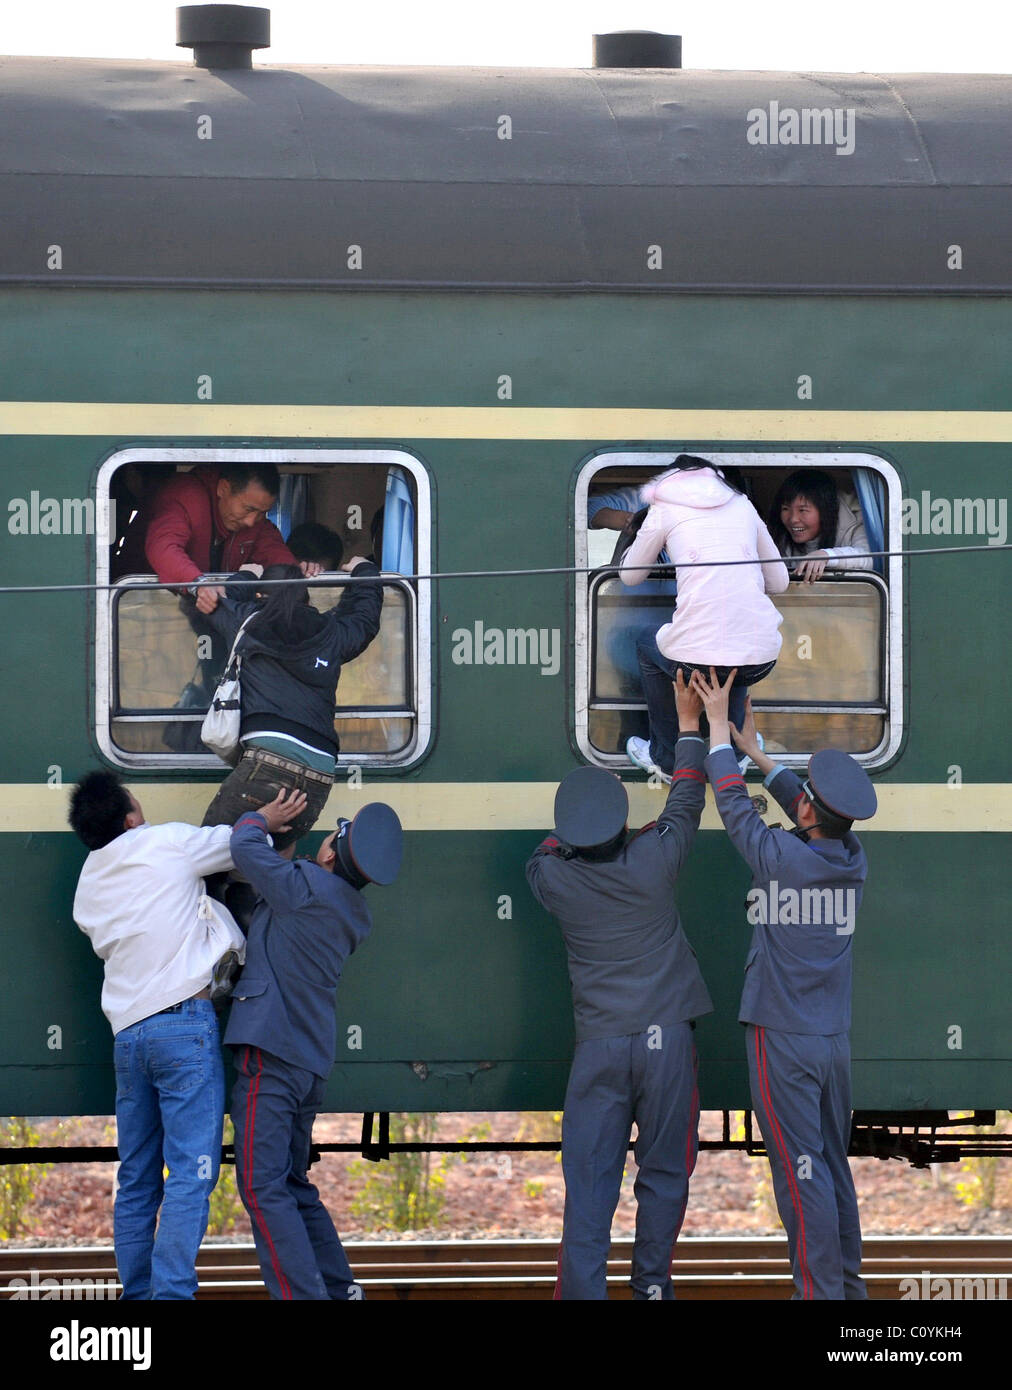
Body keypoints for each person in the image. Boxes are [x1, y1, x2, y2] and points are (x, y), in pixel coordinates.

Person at [526, 672, 713, 1301]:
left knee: (591, 1183)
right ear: (626, 827)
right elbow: (686, 797)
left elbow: (544, 854)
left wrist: (576, 834)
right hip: (668, 1046)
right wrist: (688, 727)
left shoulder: (556, 882)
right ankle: (651, 1290)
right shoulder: (656, 859)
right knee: (663, 1176)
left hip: (601, 1046)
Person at [692, 668, 877, 1300]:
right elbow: (810, 803)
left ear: (805, 814)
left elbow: (732, 805)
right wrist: (758, 755)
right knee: (829, 1168)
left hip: (785, 1043)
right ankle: (848, 1293)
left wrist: (717, 728)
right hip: (830, 1043)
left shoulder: (781, 857)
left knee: (800, 1178)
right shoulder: (851, 861)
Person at [69, 771, 246, 1300]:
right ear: (131, 818)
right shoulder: (164, 841)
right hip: (183, 1028)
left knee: (138, 1176)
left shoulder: (88, 882)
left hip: (128, 1037)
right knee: (191, 1175)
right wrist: (268, 818)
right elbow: (238, 844)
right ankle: (169, 1298)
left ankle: (139, 1299)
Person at [226, 788, 403, 1300]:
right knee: (293, 1184)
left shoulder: (304, 886)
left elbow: (244, 847)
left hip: (272, 1057)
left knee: (262, 1188)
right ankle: (339, 1291)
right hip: (307, 1063)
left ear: (327, 856)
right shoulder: (348, 911)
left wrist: (261, 815)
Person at [621, 454, 789, 783]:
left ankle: (666, 757)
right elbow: (779, 582)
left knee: (646, 644)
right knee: (735, 660)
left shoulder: (664, 507)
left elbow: (630, 577)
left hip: (693, 661)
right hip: (762, 658)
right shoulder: (742, 503)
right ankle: (737, 752)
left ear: (669, 481)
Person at [199, 556, 383, 849]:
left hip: (266, 761)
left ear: (260, 596)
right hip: (319, 776)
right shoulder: (333, 633)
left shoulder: (247, 621)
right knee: (266, 868)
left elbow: (216, 601)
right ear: (306, 599)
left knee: (206, 854)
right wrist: (365, 570)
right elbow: (365, 618)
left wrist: (247, 574)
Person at [112, 462, 321, 611]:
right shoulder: (185, 495)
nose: (251, 521)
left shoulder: (255, 523)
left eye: (261, 512)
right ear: (223, 489)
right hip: (138, 610)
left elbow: (277, 557)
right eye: (248, 509)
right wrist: (198, 583)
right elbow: (163, 547)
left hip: (199, 614)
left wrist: (297, 572)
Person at [768, 469, 873, 583]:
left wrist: (826, 556)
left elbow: (868, 557)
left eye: (802, 510)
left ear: (825, 511)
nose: (793, 519)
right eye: (785, 509)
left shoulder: (853, 524)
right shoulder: (777, 534)